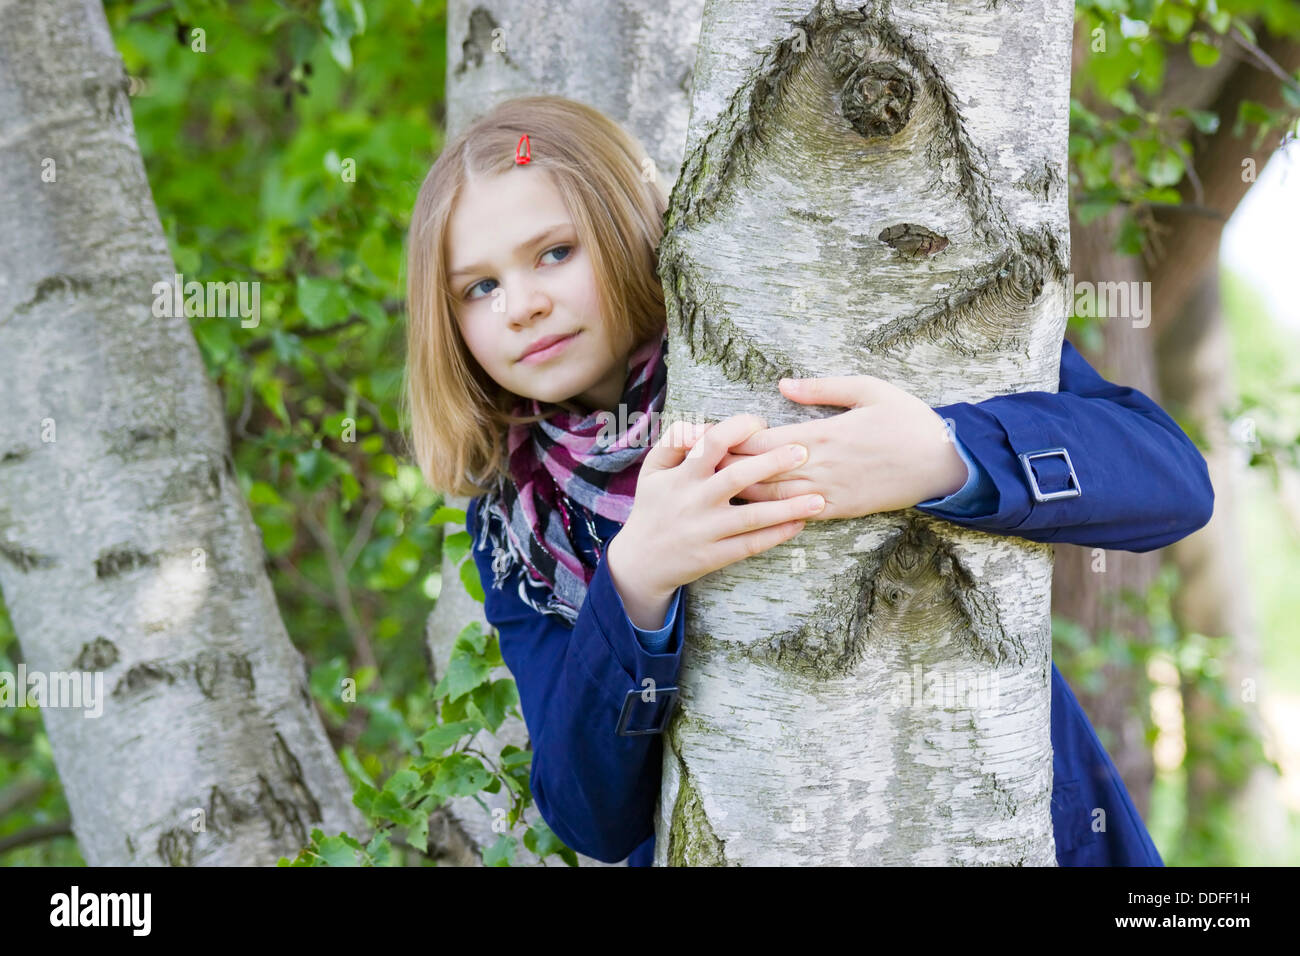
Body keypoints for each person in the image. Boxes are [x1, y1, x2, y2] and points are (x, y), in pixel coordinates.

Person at [403, 94, 1213, 866]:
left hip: (997, 821)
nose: (522, 306)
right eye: (480, 287)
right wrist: (636, 582)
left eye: (554, 252)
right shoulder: (516, 522)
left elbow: (1170, 480)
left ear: (624, 224)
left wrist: (945, 454)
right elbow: (590, 818)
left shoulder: (810, 320)